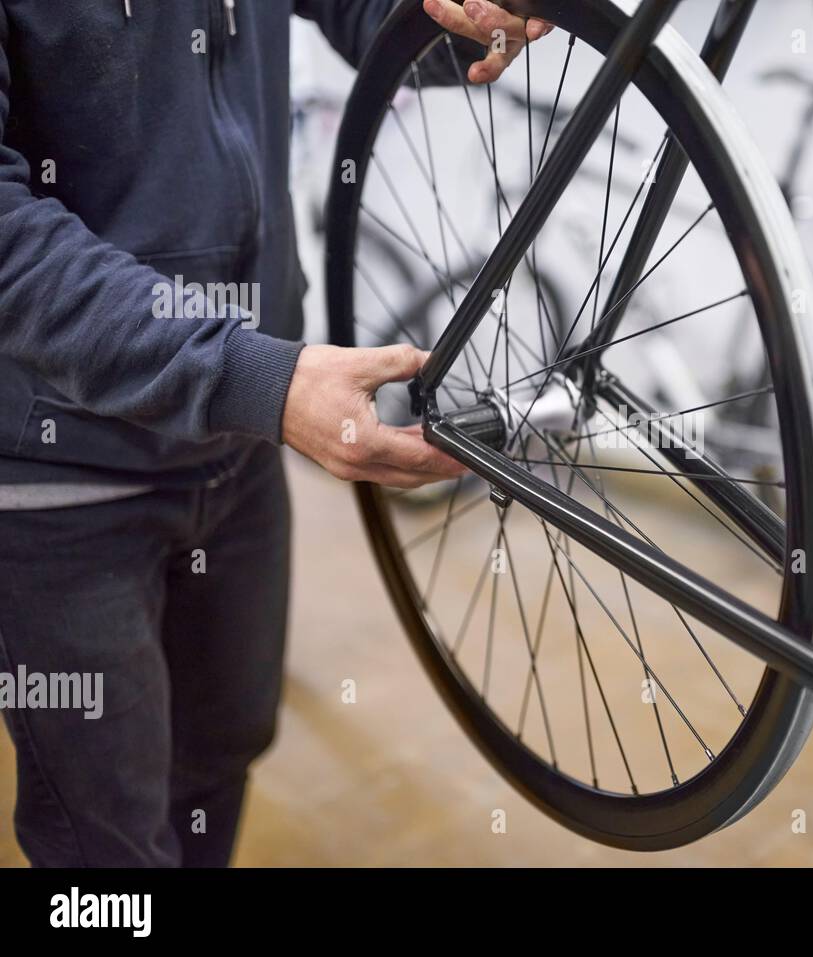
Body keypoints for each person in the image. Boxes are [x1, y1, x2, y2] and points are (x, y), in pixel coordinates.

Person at [0, 0, 548, 867]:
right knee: (105, 845)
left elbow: (362, 11)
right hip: (58, 474)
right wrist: (255, 378)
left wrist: (461, 21)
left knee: (218, 760)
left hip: (239, 445)